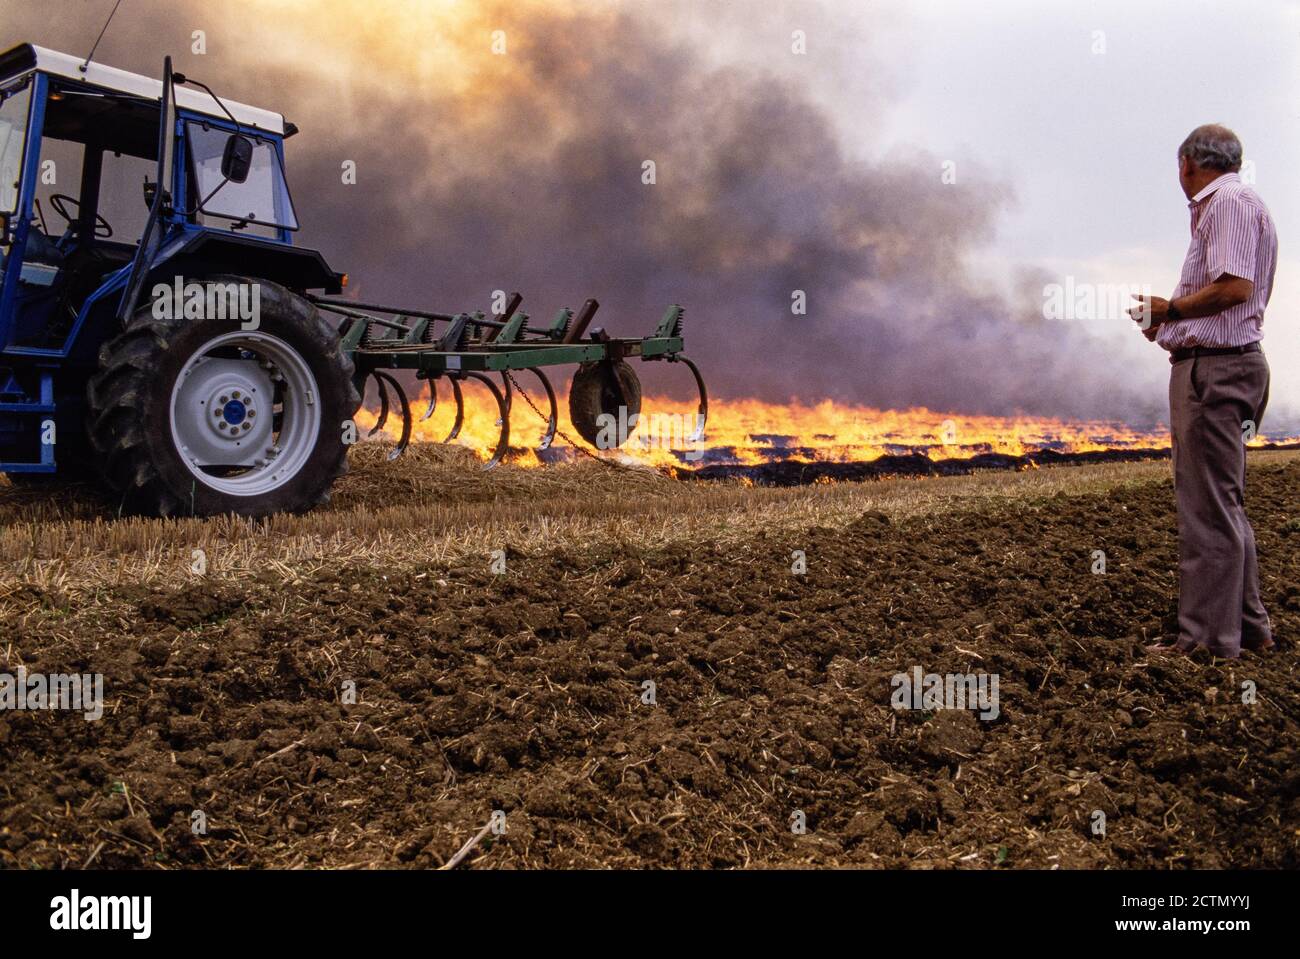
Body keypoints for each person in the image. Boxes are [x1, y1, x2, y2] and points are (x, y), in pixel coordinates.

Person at [1129, 123, 1276, 659]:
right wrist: (1170, 324)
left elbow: (1235, 288)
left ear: (1187, 164)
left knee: (1207, 511)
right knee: (1224, 504)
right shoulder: (1238, 202)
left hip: (1214, 374)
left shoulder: (1226, 203)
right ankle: (1247, 627)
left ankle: (1208, 642)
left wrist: (1171, 310)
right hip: (1225, 367)